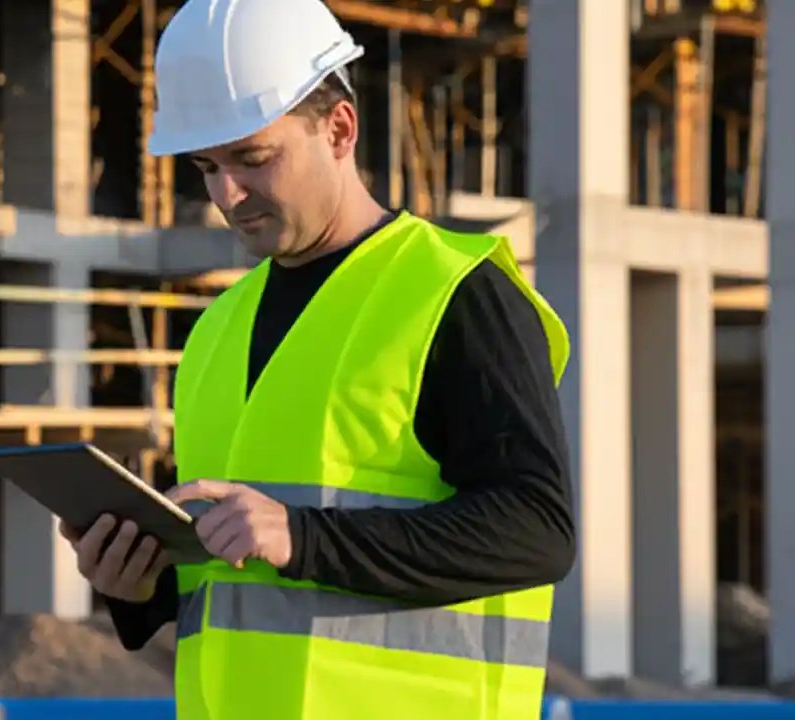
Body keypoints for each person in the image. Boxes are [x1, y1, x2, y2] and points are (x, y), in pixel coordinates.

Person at [59, 0, 575, 717]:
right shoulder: (217, 330)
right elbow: (238, 581)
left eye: (252, 158)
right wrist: (138, 584)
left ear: (339, 128)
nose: (226, 194)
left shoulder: (454, 292)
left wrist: (301, 537)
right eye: (206, 166)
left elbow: (537, 530)